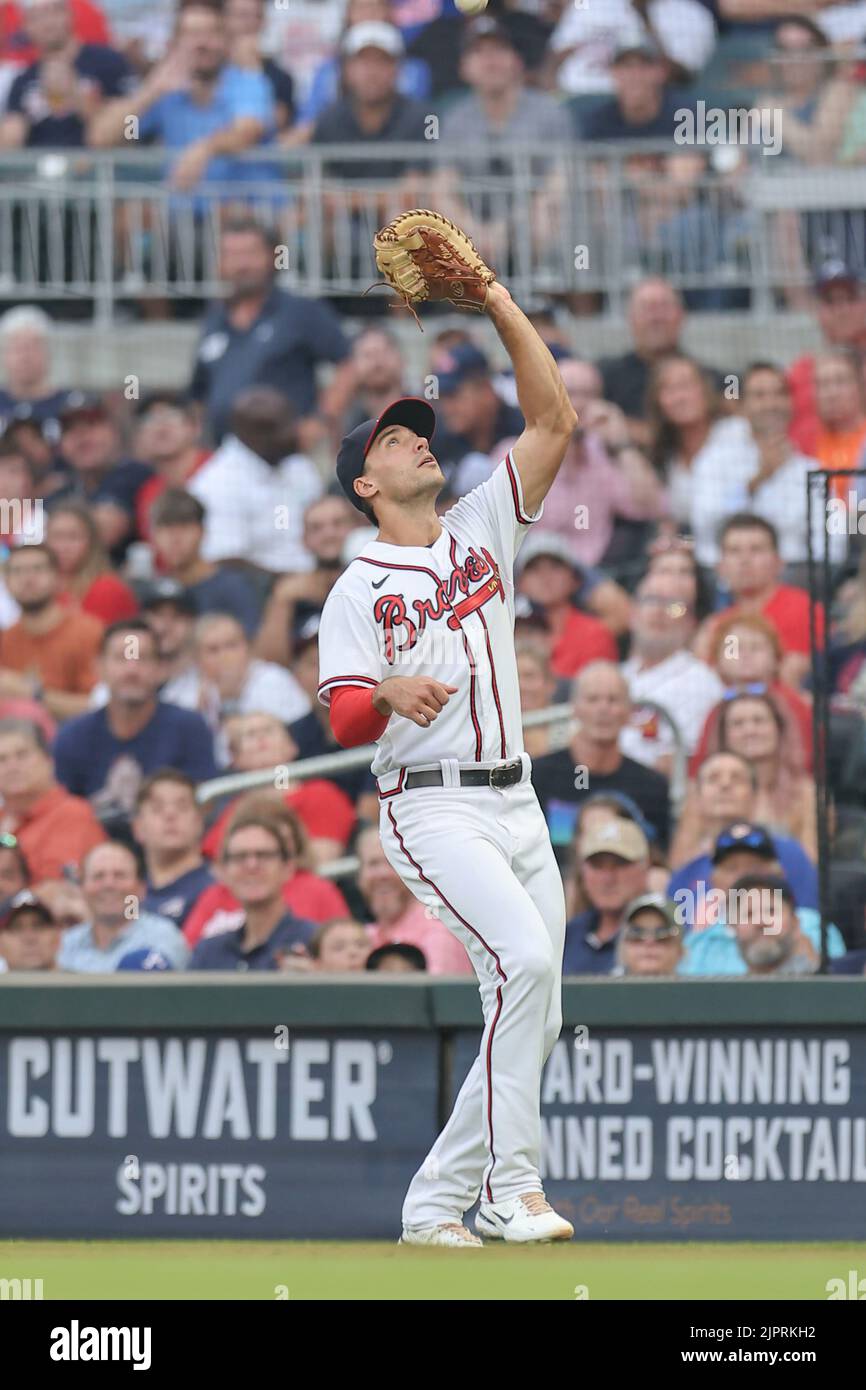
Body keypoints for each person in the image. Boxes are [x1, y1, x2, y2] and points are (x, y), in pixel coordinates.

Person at [319, 270, 580, 1247]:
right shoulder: (357, 586)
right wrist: (384, 691)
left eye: (417, 431)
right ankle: (512, 1190)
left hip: (516, 799)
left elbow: (552, 422)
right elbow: (342, 718)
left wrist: (498, 303)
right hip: (431, 806)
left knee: (535, 1006)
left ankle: (433, 1204)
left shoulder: (478, 528)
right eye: (393, 440)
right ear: (365, 483)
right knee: (521, 966)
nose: (416, 441)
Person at [187, 217, 353, 448]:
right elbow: (199, 392)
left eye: (250, 253)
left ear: (272, 257)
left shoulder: (300, 310)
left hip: (286, 454)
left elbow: (350, 364)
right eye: (232, 255)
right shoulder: (214, 317)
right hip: (225, 456)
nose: (242, 265)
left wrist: (320, 421)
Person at [88, 3, 276, 196]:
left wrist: (205, 149)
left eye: (212, 33)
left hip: (247, 211)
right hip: (183, 212)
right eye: (192, 34)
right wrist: (148, 93)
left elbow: (246, 131)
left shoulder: (246, 82)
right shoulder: (165, 94)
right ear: (175, 43)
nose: (202, 43)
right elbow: (115, 136)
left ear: (226, 40)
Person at [53, 619, 218, 818]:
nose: (132, 670)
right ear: (99, 668)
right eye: (121, 658)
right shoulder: (73, 737)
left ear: (161, 669)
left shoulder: (189, 729)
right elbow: (61, 814)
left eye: (142, 659)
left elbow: (205, 808)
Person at [689, 362, 837, 572]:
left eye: (779, 394)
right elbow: (706, 523)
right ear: (742, 405)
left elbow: (831, 542)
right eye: (759, 395)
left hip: (795, 575)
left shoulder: (809, 468)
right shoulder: (716, 458)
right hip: (723, 576)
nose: (771, 403)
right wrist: (757, 480)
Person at [531, 661, 671, 861]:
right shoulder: (540, 776)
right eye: (592, 699)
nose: (603, 709)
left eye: (613, 700)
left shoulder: (651, 786)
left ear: (629, 711)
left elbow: (658, 860)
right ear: (574, 708)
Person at [533, 358, 666, 567]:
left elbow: (653, 507)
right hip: (529, 573)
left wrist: (622, 443)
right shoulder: (513, 452)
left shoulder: (601, 458)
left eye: (589, 395)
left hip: (593, 574)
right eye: (570, 393)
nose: (579, 403)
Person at [183, 792, 349, 948]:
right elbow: (188, 955)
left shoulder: (318, 891)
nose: (253, 864)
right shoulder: (215, 895)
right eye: (242, 854)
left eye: (265, 852)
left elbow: (344, 950)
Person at [187, 387, 323, 576]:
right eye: (284, 431)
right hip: (258, 587)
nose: (296, 434)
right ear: (254, 436)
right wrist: (290, 581)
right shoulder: (217, 482)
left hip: (318, 577)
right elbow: (225, 561)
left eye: (293, 424)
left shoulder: (299, 465)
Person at [200, 712, 356, 866]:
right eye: (250, 734)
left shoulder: (320, 794)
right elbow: (214, 864)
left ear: (292, 746)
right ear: (236, 757)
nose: (260, 737)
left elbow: (322, 859)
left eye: (269, 730)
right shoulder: (234, 809)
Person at [667, 758, 818, 907]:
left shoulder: (790, 855)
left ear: (755, 795)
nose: (725, 784)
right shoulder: (685, 875)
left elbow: (808, 916)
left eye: (737, 778)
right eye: (713, 779)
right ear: (697, 798)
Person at [695, 514, 823, 690]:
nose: (744, 560)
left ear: (779, 562)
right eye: (734, 551)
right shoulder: (715, 627)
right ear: (720, 567)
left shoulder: (806, 610)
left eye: (756, 550)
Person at [620, 569, 725, 773]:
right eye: (651, 600)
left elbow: (682, 764)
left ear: (691, 623)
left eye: (675, 605)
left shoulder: (701, 683)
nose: (660, 611)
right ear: (632, 614)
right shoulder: (615, 676)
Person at [161, 613, 310, 757]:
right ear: (197, 659)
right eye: (213, 650)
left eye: (231, 645)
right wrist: (199, 715)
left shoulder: (273, 679)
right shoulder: (180, 693)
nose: (225, 656)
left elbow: (298, 733)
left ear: (248, 647)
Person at [189, 816, 316, 971]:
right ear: (223, 871)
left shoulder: (314, 943)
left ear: (288, 868)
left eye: (264, 855)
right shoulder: (208, 953)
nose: (251, 865)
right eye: (240, 857)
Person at [693, 612, 814, 773]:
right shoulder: (717, 708)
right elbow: (702, 765)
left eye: (756, 648)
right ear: (717, 661)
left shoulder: (792, 704)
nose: (745, 655)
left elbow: (805, 761)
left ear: (777, 660)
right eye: (734, 648)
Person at [0, 0, 131, 147]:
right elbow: (9, 141)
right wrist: (12, 133)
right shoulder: (22, 80)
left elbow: (132, 130)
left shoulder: (109, 61)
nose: (47, 22)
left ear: (71, 14)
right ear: (25, 27)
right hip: (41, 159)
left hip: (100, 159)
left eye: (54, 11)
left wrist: (76, 94)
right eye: (35, 17)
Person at [708, 691, 818, 859]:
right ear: (724, 736)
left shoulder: (806, 793)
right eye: (738, 724)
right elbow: (684, 863)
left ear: (779, 729)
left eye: (759, 721)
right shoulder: (705, 791)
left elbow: (811, 862)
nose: (750, 731)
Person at [0, 542, 103, 720]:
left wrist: (32, 694)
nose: (28, 579)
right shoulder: (5, 639)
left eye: (38, 569)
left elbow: (100, 707)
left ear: (58, 579)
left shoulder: (90, 633)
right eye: (17, 571)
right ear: (6, 583)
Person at [253, 494, 357, 666]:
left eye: (338, 523)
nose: (329, 534)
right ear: (304, 540)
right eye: (316, 528)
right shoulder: (290, 591)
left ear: (356, 528)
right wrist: (282, 601)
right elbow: (270, 664)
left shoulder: (376, 578)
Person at [355, 825, 473, 976]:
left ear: (415, 870)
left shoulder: (438, 925)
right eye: (373, 863)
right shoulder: (364, 936)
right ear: (359, 876)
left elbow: (434, 988)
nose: (383, 874)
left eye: (392, 862)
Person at [57, 840, 190, 971]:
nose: (109, 884)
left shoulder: (162, 938)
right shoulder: (66, 944)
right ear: (82, 888)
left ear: (141, 888)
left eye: (119, 876)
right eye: (98, 876)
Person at [0, 718, 105, 880]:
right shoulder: (5, 817)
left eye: (22, 755)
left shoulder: (73, 815)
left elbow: (60, 887)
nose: (12, 767)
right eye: (2, 759)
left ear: (48, 760)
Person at [50, 394, 152, 562]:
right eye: (69, 429)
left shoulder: (134, 474)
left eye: (92, 424)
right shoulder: (63, 490)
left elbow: (105, 532)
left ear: (115, 433)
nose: (82, 436)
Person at [645, 353, 737, 537]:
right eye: (668, 389)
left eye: (686, 385)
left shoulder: (736, 433)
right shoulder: (663, 455)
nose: (680, 397)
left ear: (706, 390)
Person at [149, 489, 262, 638]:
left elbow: (251, 644)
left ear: (202, 532)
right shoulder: (152, 589)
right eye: (166, 529)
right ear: (154, 535)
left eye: (184, 528)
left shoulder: (233, 587)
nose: (175, 539)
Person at [514, 533, 620, 677]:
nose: (545, 576)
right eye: (534, 568)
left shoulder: (594, 634)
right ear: (521, 583)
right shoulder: (512, 632)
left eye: (555, 567)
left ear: (574, 579)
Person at [788, 261, 866, 454]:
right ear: (817, 310)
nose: (842, 311)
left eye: (850, 299)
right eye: (830, 302)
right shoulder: (801, 371)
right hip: (816, 465)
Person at [562, 818, 651, 975]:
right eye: (597, 865)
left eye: (620, 864)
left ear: (645, 867)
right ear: (582, 872)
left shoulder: (660, 936)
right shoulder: (568, 936)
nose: (607, 878)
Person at [131, 769, 214, 930]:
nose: (170, 814)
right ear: (138, 828)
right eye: (157, 808)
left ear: (199, 822)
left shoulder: (217, 888)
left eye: (182, 807)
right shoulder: (131, 898)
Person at [132, 393, 212, 540]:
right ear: (139, 437)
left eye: (171, 416)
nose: (160, 427)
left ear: (196, 427)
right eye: (149, 419)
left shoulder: (220, 470)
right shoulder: (147, 494)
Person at [46, 500, 138, 626]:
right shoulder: (40, 588)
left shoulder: (107, 589)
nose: (64, 547)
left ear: (92, 542)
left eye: (73, 537)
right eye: (57, 536)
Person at [0, 307, 77, 443]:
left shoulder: (73, 405)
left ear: (49, 352)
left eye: (33, 346)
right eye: (17, 348)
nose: (25, 356)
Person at [811, 348, 866, 501]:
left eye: (840, 381)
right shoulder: (807, 445)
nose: (831, 393)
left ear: (860, 386)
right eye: (823, 384)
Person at [615, 893, 684, 978]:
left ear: (680, 950)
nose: (649, 941)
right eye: (636, 932)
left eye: (662, 932)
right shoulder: (605, 986)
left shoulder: (695, 986)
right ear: (622, 947)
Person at [0, 896, 61, 971]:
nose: (30, 938)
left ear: (57, 936)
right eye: (16, 928)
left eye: (39, 926)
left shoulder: (75, 977)